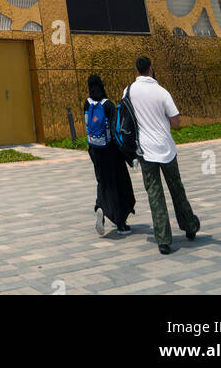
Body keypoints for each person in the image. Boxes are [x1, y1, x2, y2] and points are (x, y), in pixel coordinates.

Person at [125, 55, 201, 255]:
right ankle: (189, 226)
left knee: (155, 194)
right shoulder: (162, 92)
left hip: (145, 150)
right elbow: (176, 122)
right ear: (151, 69)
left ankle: (163, 240)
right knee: (177, 188)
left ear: (137, 69)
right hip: (166, 149)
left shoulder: (129, 91)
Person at [83, 73, 135, 237]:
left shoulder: (87, 103)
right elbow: (116, 132)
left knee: (102, 181)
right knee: (119, 184)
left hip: (95, 150)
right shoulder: (108, 105)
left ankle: (100, 206)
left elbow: (86, 125)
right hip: (111, 152)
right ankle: (120, 223)